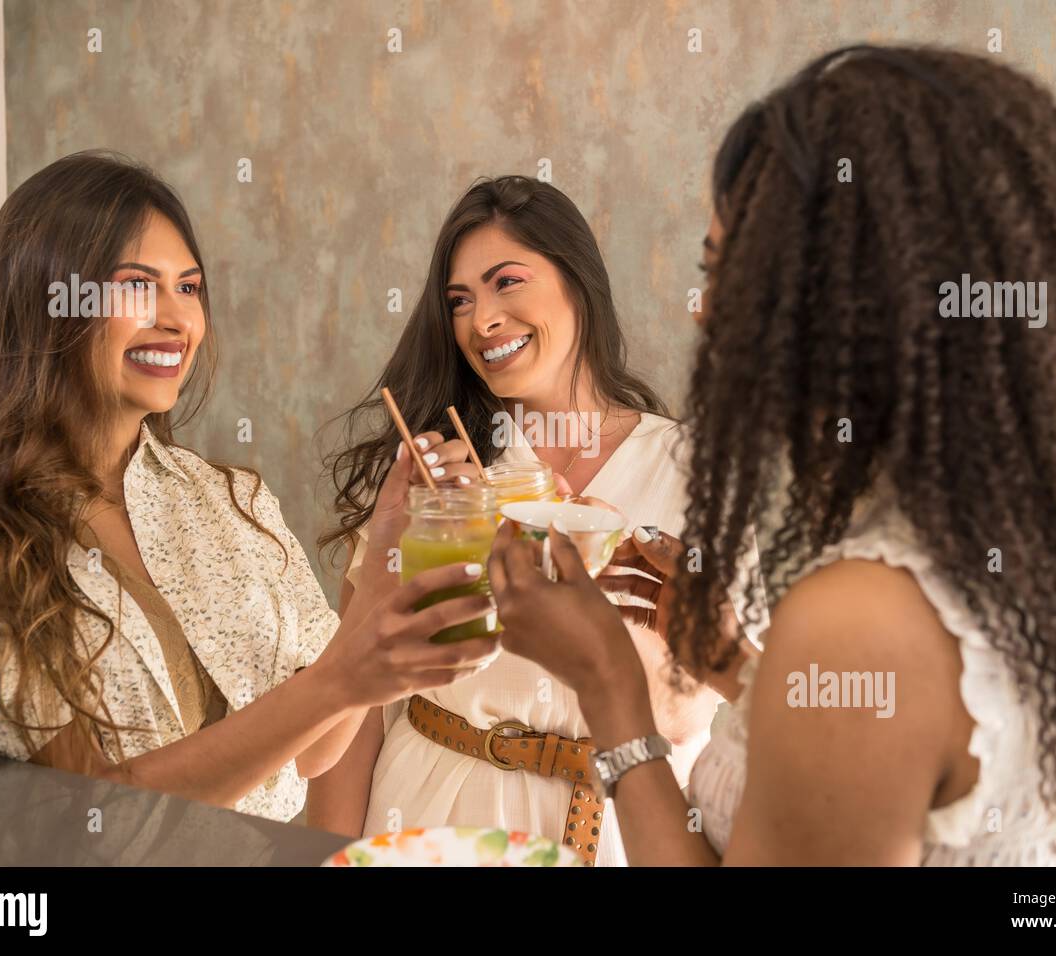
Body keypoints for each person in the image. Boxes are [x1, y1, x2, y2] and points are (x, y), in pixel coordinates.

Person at [485, 45, 1056, 865]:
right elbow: (884, 773)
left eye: (735, 277)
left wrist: (609, 688)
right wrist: (741, 671)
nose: (706, 314)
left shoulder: (860, 620)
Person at [0, 151, 499, 823]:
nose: (178, 319)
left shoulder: (231, 504)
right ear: (47, 301)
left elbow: (314, 751)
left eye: (189, 287)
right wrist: (343, 678)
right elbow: (89, 824)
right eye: (137, 286)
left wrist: (384, 568)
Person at [316, 176, 743, 865]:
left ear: (577, 281)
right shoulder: (436, 472)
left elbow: (744, 700)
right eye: (460, 301)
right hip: (431, 815)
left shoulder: (701, 472)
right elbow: (355, 707)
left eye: (506, 282)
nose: (480, 320)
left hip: (629, 834)